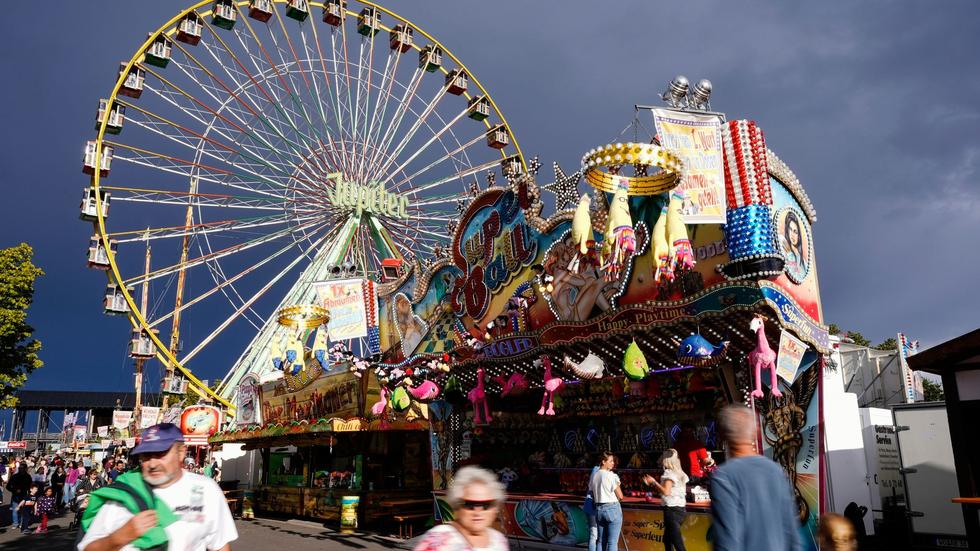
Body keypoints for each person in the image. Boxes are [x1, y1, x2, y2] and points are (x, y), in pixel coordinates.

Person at [78, 423, 238, 551]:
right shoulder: (123, 493)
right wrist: (120, 536)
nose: (152, 464)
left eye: (161, 453)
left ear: (181, 452)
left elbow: (219, 545)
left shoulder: (207, 489)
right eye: (146, 455)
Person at [710, 404, 800, 551]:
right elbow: (791, 530)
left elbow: (727, 540)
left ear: (722, 435)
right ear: (755, 432)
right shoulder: (774, 470)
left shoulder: (724, 477)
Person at [413, 466, 508, 551]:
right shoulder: (439, 538)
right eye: (469, 504)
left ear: (495, 508)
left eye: (486, 505)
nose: (478, 512)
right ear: (457, 506)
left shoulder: (498, 540)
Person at [643, 449, 689, 551]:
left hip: (672, 510)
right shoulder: (680, 473)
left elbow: (666, 492)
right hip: (681, 509)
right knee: (667, 540)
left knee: (678, 544)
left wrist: (653, 482)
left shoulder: (669, 474)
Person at [589, 451, 624, 551]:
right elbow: (620, 496)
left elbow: (591, 492)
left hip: (599, 509)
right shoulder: (611, 476)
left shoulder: (594, 475)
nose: (613, 463)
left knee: (600, 540)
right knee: (612, 542)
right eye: (611, 461)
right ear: (603, 462)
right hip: (612, 508)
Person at [8, 461, 33, 528]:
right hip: (15, 496)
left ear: (25, 469)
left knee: (23, 510)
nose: (20, 469)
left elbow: (31, 486)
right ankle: (15, 523)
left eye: (22, 468)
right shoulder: (14, 476)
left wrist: (30, 493)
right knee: (15, 510)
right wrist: (14, 490)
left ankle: (22, 523)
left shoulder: (28, 476)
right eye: (19, 468)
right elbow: (8, 486)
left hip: (24, 495)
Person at [584, 464, 600, 551]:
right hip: (593, 507)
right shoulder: (598, 471)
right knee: (594, 534)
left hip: (590, 506)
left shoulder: (595, 470)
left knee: (593, 534)